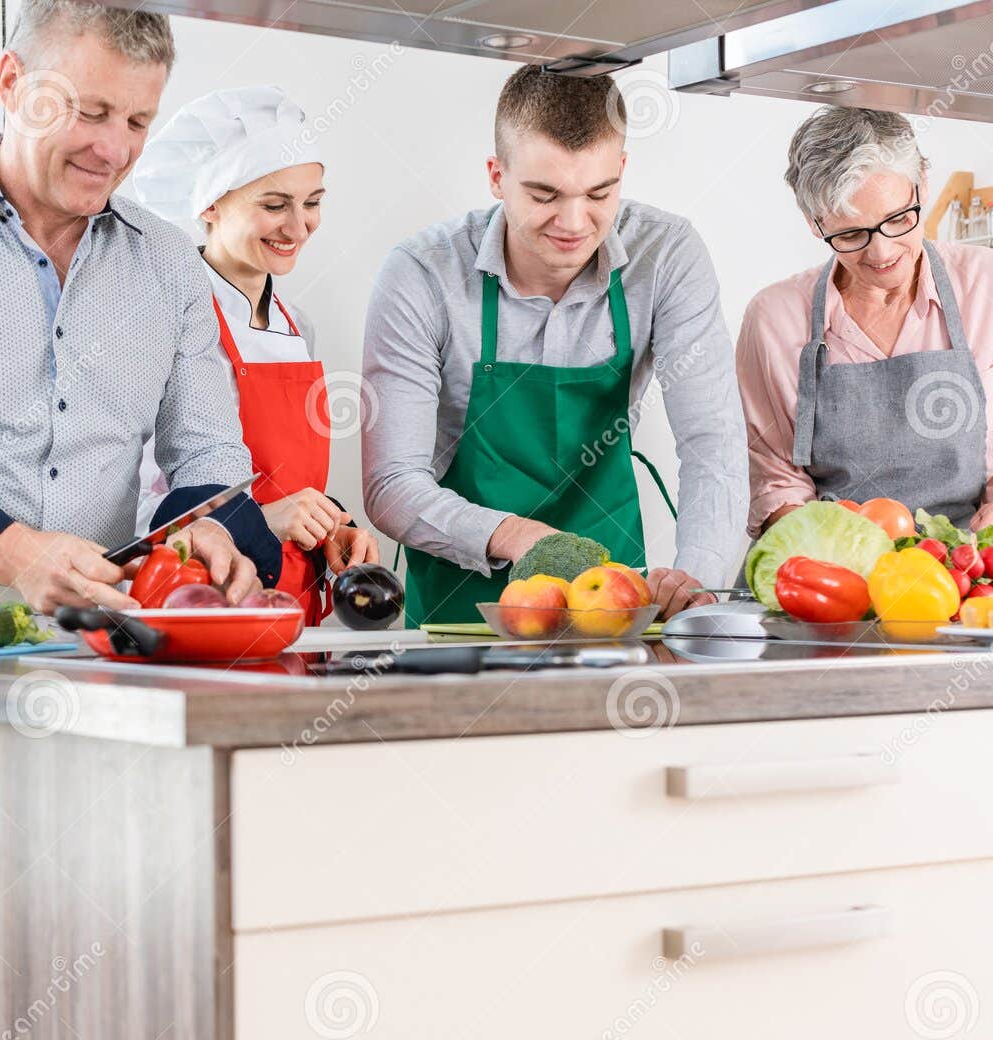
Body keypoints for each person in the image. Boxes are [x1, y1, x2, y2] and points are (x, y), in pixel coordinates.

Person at [0, 0, 278, 614]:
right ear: (12, 83)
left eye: (138, 122)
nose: (114, 150)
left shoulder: (169, 263)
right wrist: (14, 552)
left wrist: (208, 528)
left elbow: (207, 447)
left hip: (101, 627)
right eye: (91, 113)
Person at [361, 65, 748, 626]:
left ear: (622, 171)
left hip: (612, 600)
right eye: (544, 194)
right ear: (496, 176)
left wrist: (697, 583)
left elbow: (712, 440)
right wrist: (518, 536)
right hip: (461, 604)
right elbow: (392, 483)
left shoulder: (666, 254)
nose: (574, 223)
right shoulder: (423, 272)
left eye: (599, 193)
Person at [133, 85, 379, 624]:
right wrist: (263, 520)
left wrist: (330, 522)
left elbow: (288, 477)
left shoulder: (298, 325)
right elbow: (134, 509)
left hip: (295, 610)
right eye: (274, 205)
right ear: (210, 205)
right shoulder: (164, 318)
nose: (298, 227)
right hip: (203, 603)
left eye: (312, 203)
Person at [738, 107, 993, 534]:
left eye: (898, 219)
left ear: (922, 185)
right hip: (833, 567)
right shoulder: (774, 318)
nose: (881, 254)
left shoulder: (985, 285)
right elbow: (774, 476)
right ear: (814, 223)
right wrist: (839, 556)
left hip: (962, 566)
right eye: (851, 234)